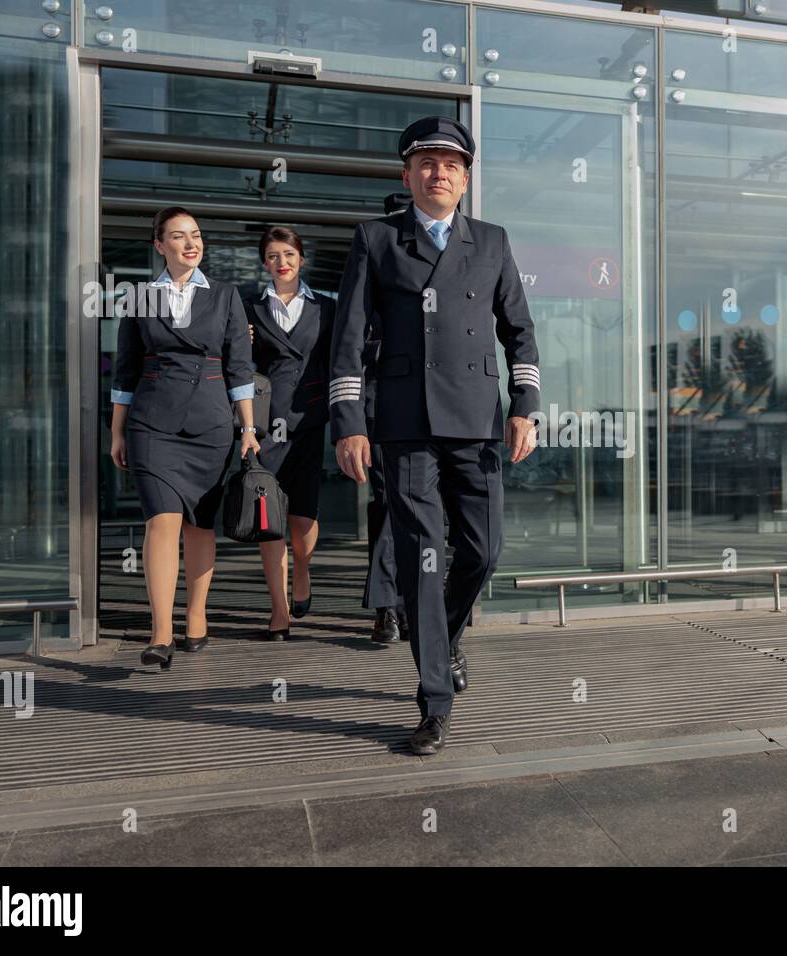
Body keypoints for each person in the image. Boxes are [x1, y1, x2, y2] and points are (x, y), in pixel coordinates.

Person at [329, 117, 540, 754]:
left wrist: (525, 406)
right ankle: (433, 701)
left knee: (483, 551)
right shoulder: (376, 239)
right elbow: (348, 339)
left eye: (450, 163)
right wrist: (349, 423)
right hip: (406, 425)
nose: (438, 172)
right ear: (407, 174)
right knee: (424, 557)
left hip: (477, 422)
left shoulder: (493, 241)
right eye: (426, 162)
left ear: (466, 178)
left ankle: (443, 639)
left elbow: (520, 332)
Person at [110, 206, 259, 669]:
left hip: (211, 426)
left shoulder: (226, 295)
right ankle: (160, 632)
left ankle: (196, 618)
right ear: (160, 246)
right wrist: (116, 431)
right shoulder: (139, 298)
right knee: (162, 521)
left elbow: (240, 368)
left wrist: (249, 428)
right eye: (178, 236)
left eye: (196, 235)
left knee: (199, 524)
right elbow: (124, 369)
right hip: (152, 424)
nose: (191, 243)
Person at [244, 225, 333, 640]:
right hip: (265, 426)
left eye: (289, 255)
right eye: (274, 255)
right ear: (265, 262)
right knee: (270, 519)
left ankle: (303, 567)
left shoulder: (326, 309)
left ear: (301, 260)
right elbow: (239, 365)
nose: (282, 262)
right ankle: (278, 610)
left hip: (309, 422)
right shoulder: (249, 309)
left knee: (302, 518)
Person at [361, 192, 414, 644]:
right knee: (388, 502)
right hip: (380, 402)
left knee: (414, 509)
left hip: (429, 408)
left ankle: (406, 603)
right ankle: (387, 606)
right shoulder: (377, 259)